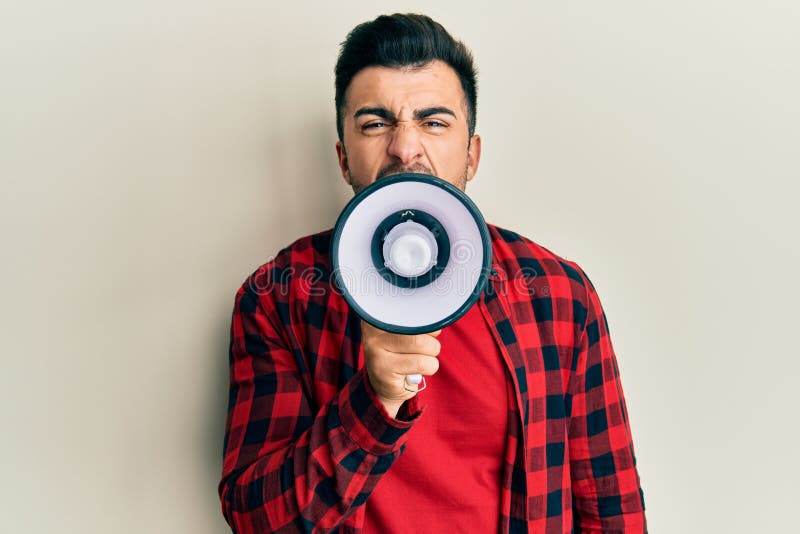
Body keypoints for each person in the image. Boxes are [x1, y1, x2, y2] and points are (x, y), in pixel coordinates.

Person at [219, 13, 646, 533]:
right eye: (375, 124)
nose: (404, 146)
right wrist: (375, 400)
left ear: (472, 155)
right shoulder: (278, 298)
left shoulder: (558, 294)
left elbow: (612, 510)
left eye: (434, 122)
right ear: (343, 158)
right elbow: (255, 520)